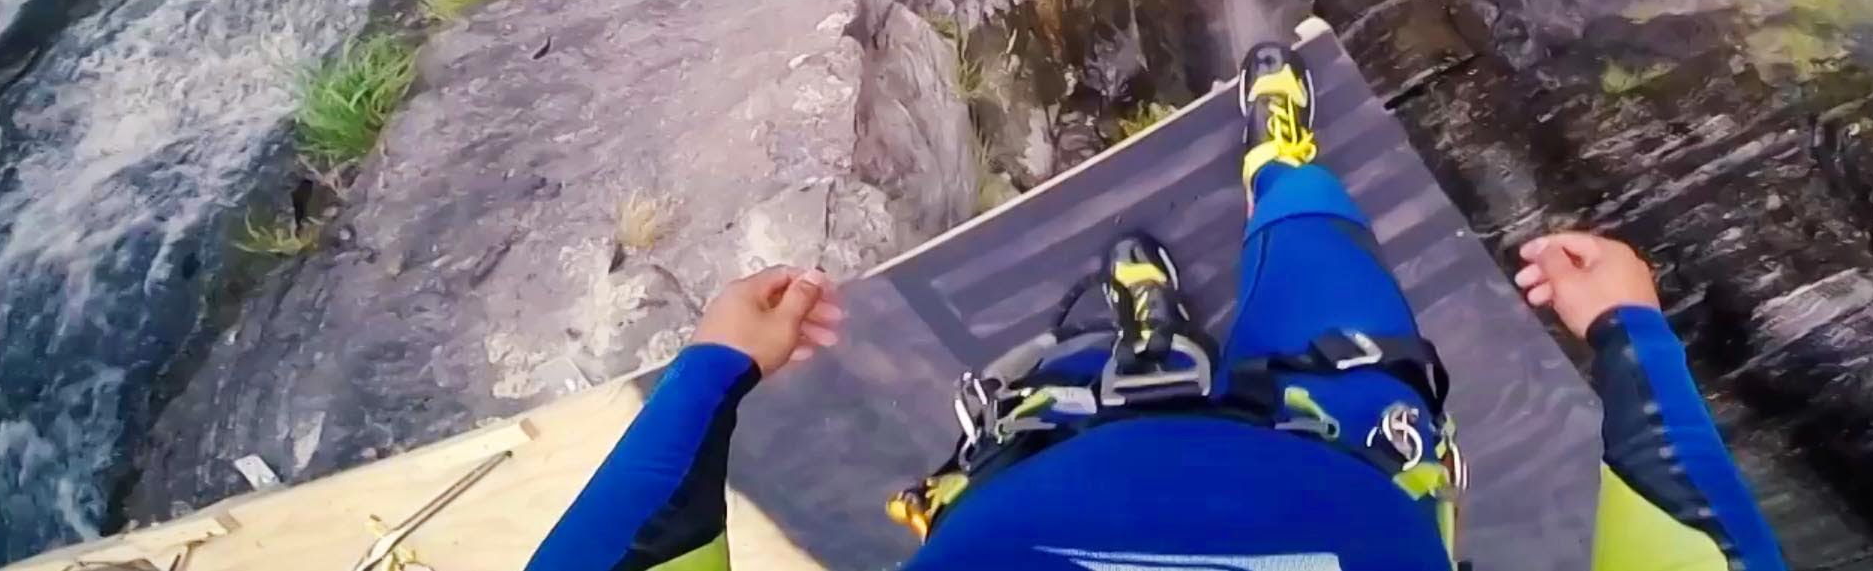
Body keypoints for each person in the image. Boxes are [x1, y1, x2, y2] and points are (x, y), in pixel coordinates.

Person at [529, 42, 1787, 571]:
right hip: (1341, 443)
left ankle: (1144, 324)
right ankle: (1277, 163)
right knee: (1324, 265)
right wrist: (1629, 332)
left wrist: (708, 369)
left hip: (1057, 465)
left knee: (1067, 390)